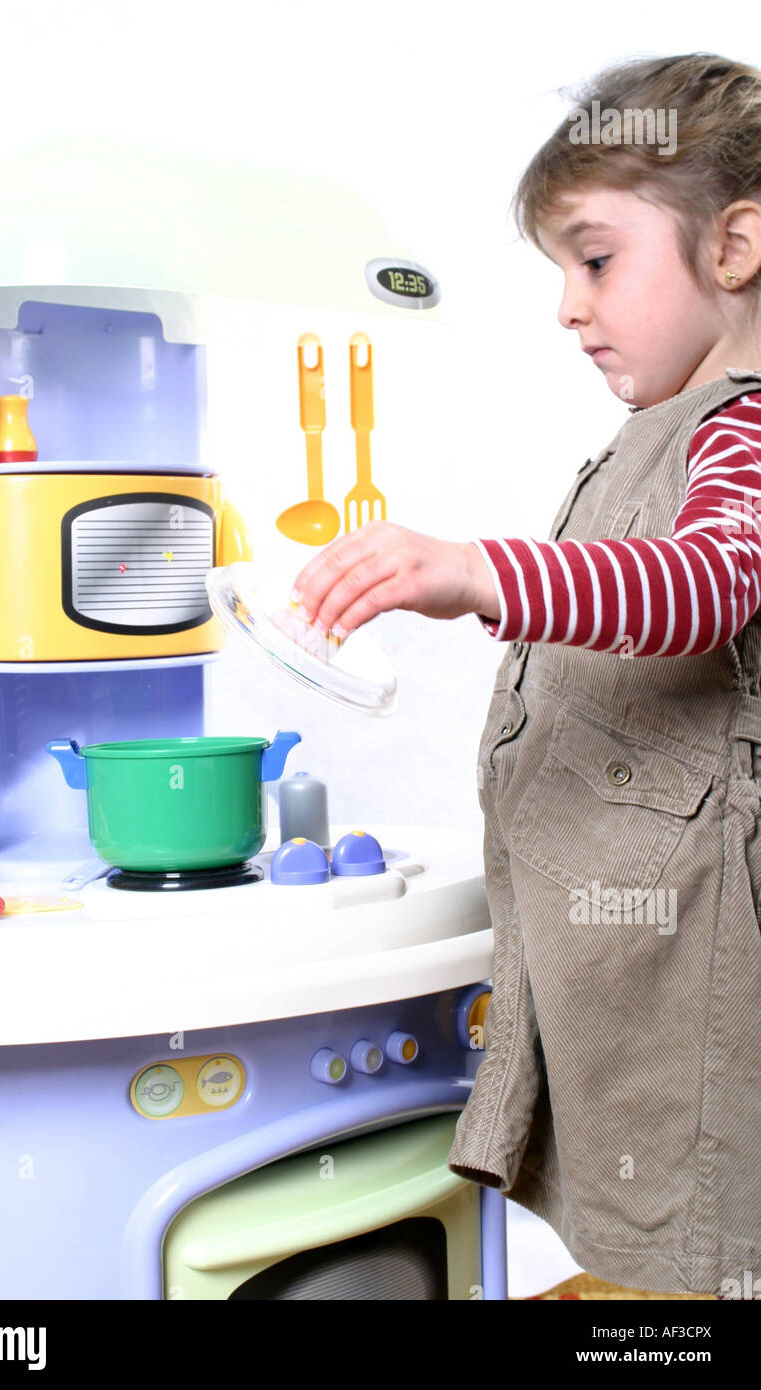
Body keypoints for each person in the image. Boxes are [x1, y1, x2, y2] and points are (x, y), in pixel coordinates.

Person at [291, 52, 761, 1296]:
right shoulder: (658, 425)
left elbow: (701, 583)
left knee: (700, 1242)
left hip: (699, 961)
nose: (566, 305)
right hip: (613, 955)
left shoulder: (749, 426)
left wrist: (472, 571)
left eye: (595, 260)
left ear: (734, 245)